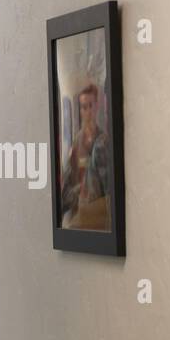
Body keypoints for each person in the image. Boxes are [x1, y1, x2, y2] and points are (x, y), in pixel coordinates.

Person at [59, 82, 111, 231]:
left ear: (97, 106)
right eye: (84, 107)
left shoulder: (104, 141)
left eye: (90, 105)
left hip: (99, 212)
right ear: (80, 110)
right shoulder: (76, 142)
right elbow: (69, 179)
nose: (88, 111)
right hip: (80, 211)